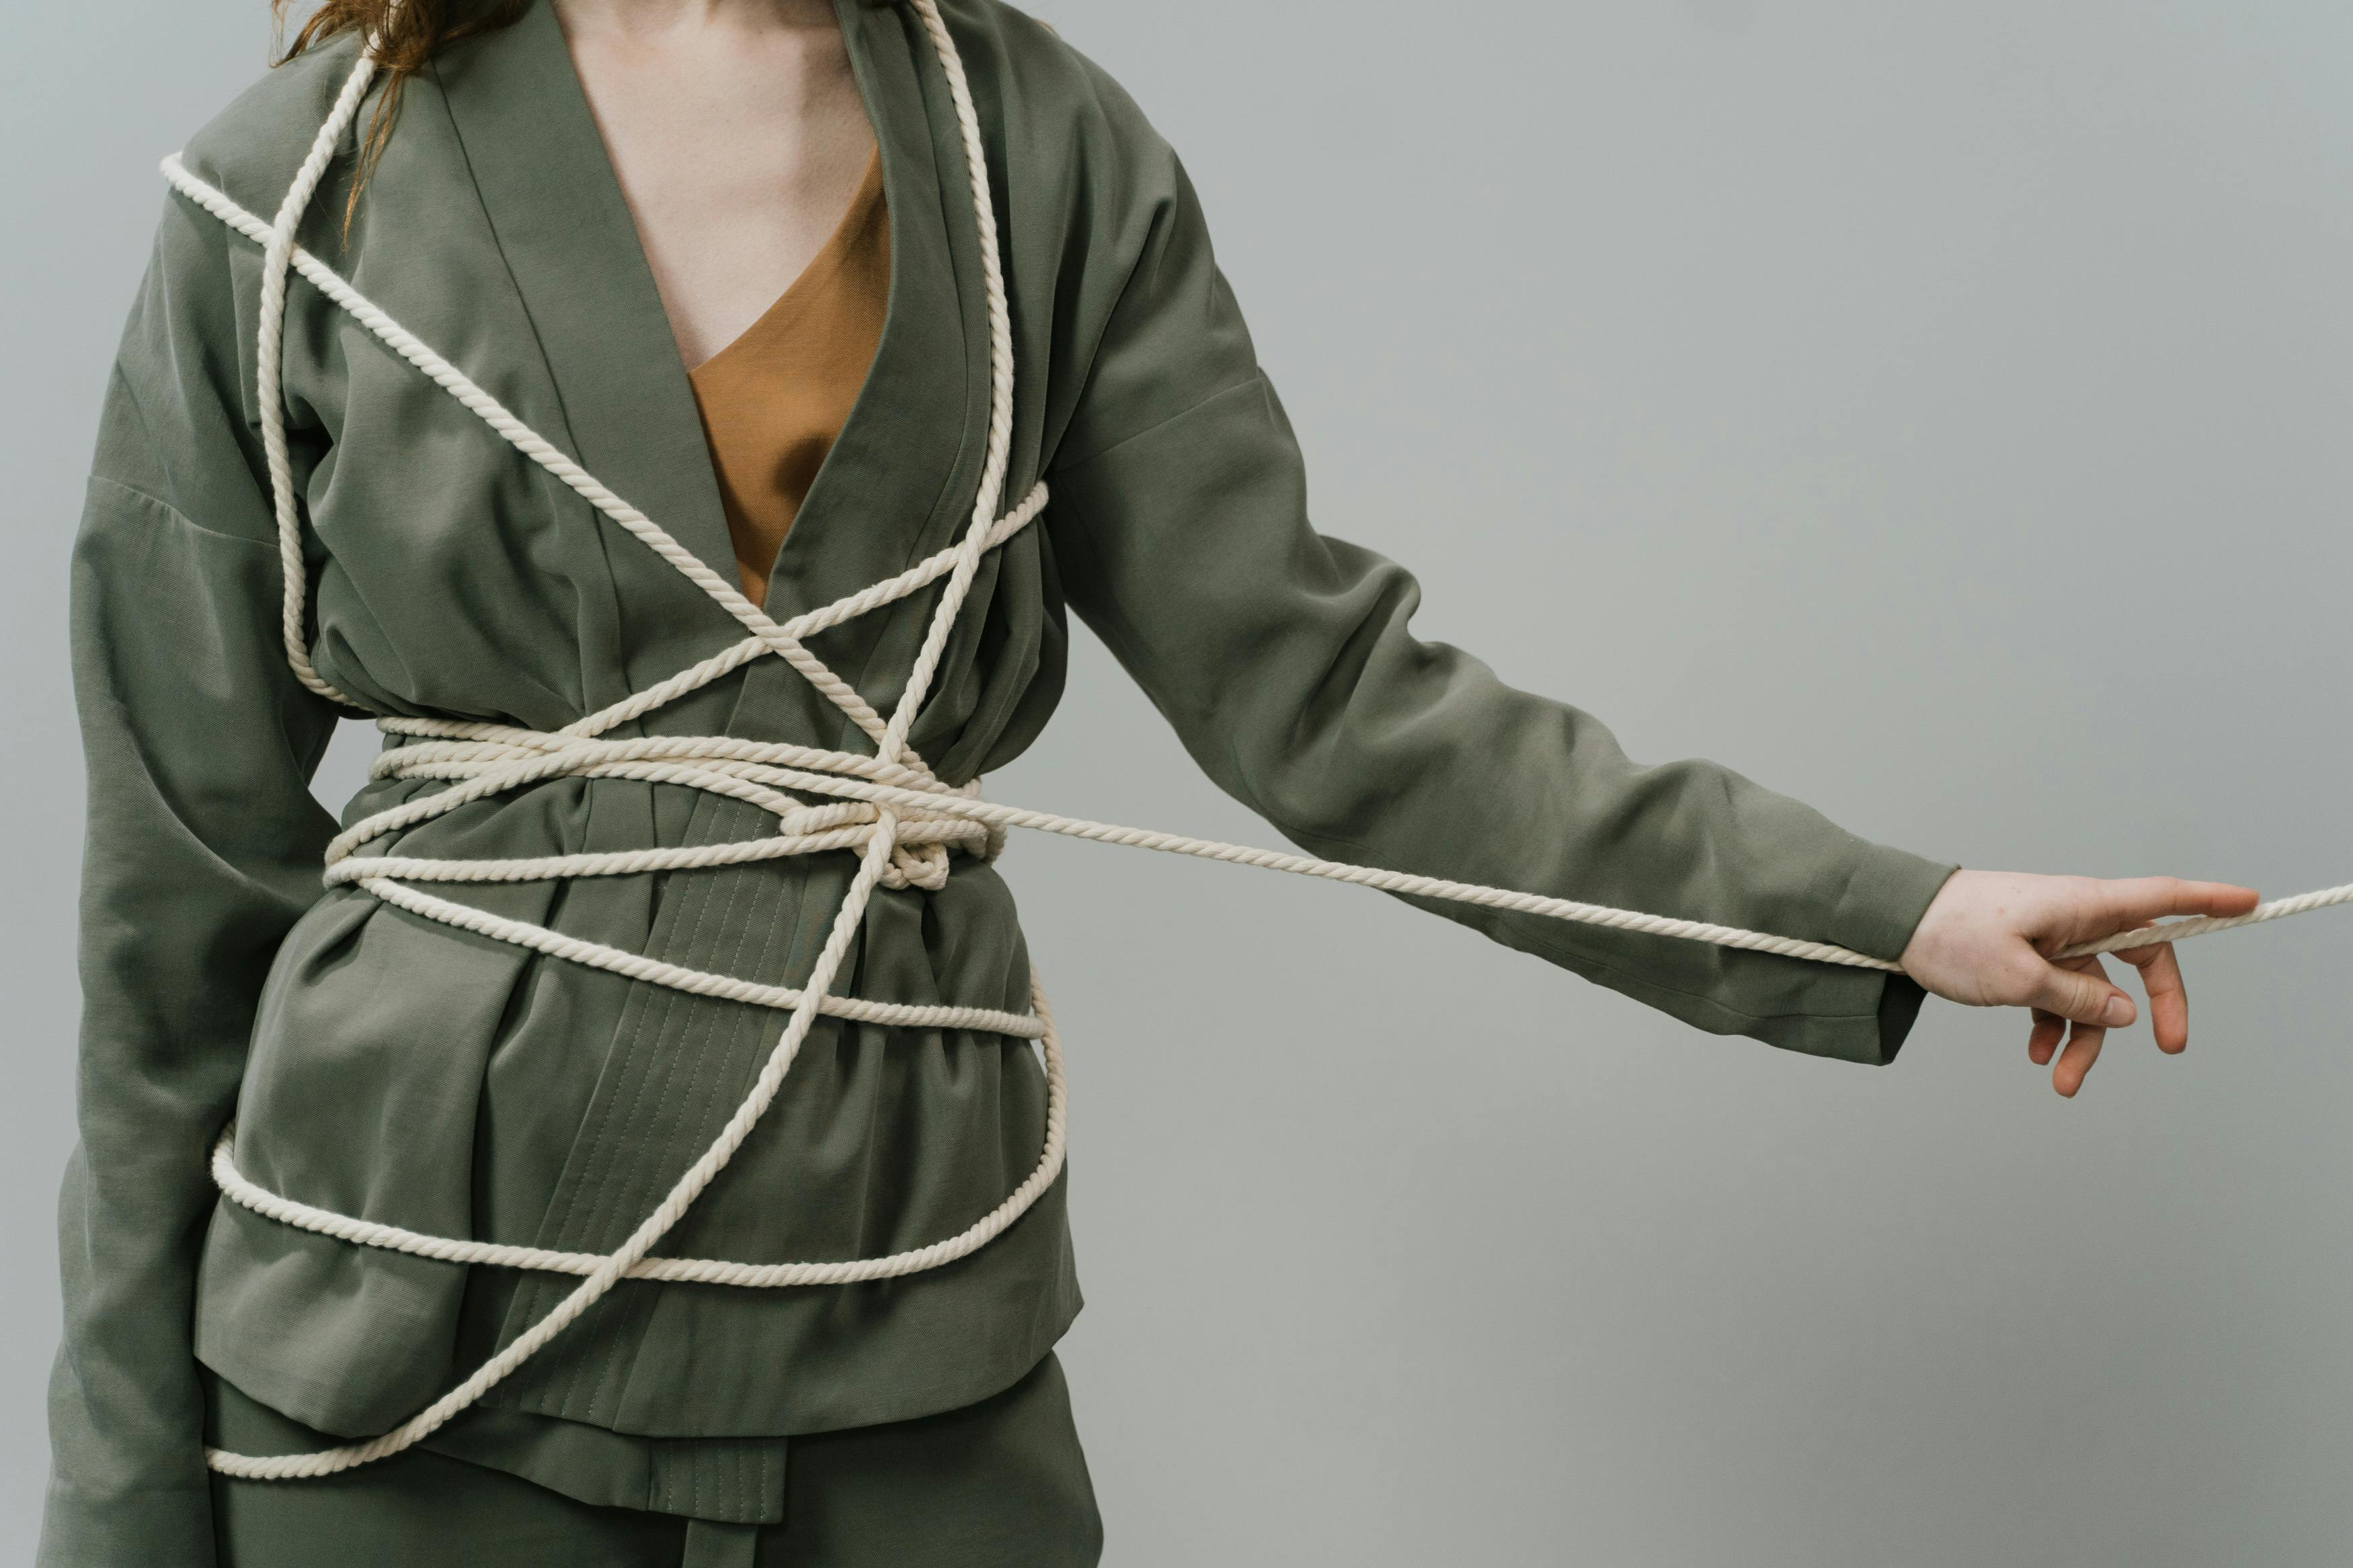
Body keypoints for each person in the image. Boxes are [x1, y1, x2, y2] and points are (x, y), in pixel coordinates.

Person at [42, 0, 2258, 1563]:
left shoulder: (1041, 161)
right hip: (402, 1345)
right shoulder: (297, 185)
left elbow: (1335, 700)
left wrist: (1885, 910)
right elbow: (173, 915)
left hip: (897, 1296)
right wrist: (121, 1517)